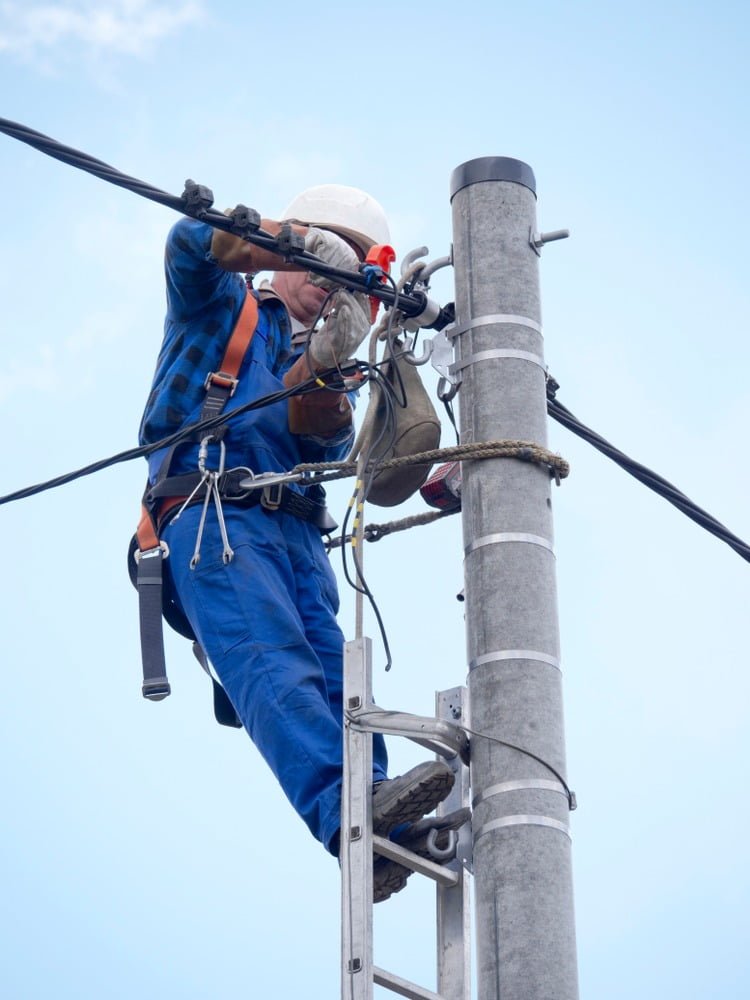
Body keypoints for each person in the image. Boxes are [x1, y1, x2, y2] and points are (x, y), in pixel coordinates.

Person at [138, 184, 457, 901]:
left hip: (298, 537)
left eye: (345, 270)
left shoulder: (338, 362)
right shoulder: (222, 306)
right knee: (273, 664)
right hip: (213, 519)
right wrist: (288, 238)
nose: (325, 278)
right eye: (320, 256)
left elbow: (319, 432)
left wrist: (321, 366)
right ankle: (347, 817)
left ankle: (378, 828)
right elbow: (192, 244)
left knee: (343, 686)